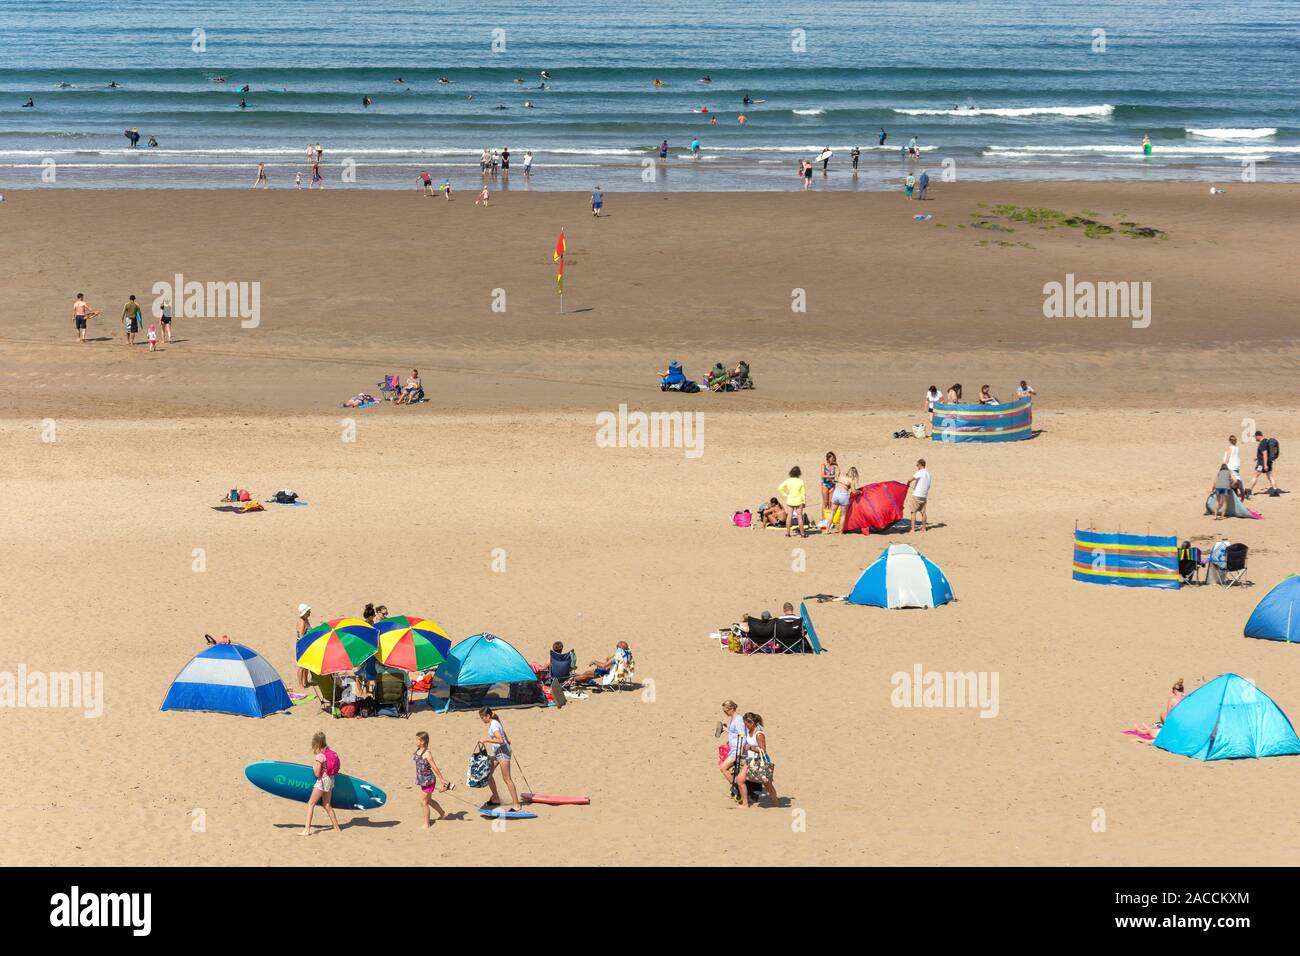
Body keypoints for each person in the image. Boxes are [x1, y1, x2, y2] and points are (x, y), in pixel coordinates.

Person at [478, 708, 521, 812]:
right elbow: (503, 735)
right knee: (488, 774)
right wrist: (508, 740)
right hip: (497, 753)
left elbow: (500, 740)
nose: (482, 719)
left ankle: (517, 805)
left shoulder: (494, 725)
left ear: (488, 716)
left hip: (503, 753)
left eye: (482, 717)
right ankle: (496, 798)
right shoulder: (495, 722)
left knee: (507, 778)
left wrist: (486, 740)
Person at [732, 712, 777, 808]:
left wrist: (751, 748)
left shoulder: (759, 734)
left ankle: (776, 802)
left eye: (746, 723)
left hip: (759, 761)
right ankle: (745, 804)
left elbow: (763, 750)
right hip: (750, 760)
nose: (745, 725)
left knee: (767, 784)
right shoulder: (750, 731)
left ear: (751, 722)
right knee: (740, 780)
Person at [301, 732, 342, 835]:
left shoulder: (320, 756)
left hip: (322, 782)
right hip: (330, 780)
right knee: (327, 804)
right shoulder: (330, 751)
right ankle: (337, 828)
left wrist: (314, 767)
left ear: (316, 742)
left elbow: (317, 774)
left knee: (311, 804)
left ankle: (307, 830)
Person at [413, 731, 451, 829]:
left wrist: (442, 779)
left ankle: (426, 824)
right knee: (428, 800)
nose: (416, 741)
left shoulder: (427, 753)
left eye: (417, 740)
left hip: (428, 780)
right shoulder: (418, 751)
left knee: (423, 802)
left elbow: (434, 767)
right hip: (423, 780)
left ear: (423, 742)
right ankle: (443, 814)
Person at [716, 700, 747, 776]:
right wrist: (726, 730)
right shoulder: (733, 718)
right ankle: (737, 784)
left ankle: (736, 785)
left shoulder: (738, 720)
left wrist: (740, 751)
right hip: (733, 749)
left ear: (732, 709)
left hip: (737, 750)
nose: (725, 713)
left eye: (726, 711)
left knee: (723, 768)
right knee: (733, 770)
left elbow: (743, 736)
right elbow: (735, 733)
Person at [778, 466, 807, 538]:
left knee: (789, 516)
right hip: (799, 500)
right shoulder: (800, 481)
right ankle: (802, 534)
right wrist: (804, 502)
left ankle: (788, 533)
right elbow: (803, 493)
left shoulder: (788, 480)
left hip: (790, 500)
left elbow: (779, 488)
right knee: (800, 517)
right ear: (799, 473)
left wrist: (785, 495)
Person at [1249, 429, 1277, 495]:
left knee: (1255, 475)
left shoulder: (1262, 443)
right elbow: (1265, 453)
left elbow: (1265, 453)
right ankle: (1275, 491)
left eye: (1255, 437)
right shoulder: (1266, 441)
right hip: (1268, 462)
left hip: (1262, 464)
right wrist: (1257, 458)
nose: (1255, 438)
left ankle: (1249, 490)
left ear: (1258, 436)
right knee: (1270, 477)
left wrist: (1265, 465)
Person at [832, 467, 858, 533]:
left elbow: (835, 480)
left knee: (832, 513)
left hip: (836, 493)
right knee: (843, 515)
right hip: (843, 495)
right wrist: (859, 492)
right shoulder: (851, 480)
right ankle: (840, 532)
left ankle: (827, 530)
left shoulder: (842, 476)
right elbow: (853, 491)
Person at [907, 459, 931, 532]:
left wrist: (908, 483)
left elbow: (911, 479)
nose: (916, 466)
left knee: (913, 511)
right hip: (924, 495)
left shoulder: (920, 472)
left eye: (917, 465)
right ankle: (923, 528)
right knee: (923, 512)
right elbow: (928, 485)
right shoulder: (928, 474)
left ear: (920, 465)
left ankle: (913, 529)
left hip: (917, 495)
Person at [296, 604, 313, 692]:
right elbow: (301, 636)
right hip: (302, 645)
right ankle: (300, 684)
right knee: (301, 666)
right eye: (308, 611)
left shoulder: (305, 620)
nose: (310, 612)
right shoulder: (302, 622)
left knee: (306, 665)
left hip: (306, 645)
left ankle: (305, 681)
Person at [820, 452, 839, 518]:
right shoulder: (824, 465)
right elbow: (822, 475)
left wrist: (835, 476)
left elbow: (838, 474)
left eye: (834, 458)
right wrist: (832, 476)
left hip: (832, 485)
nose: (833, 459)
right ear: (828, 458)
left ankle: (829, 519)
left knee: (831, 503)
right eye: (832, 458)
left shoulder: (835, 466)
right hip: (825, 484)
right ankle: (823, 519)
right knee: (825, 502)